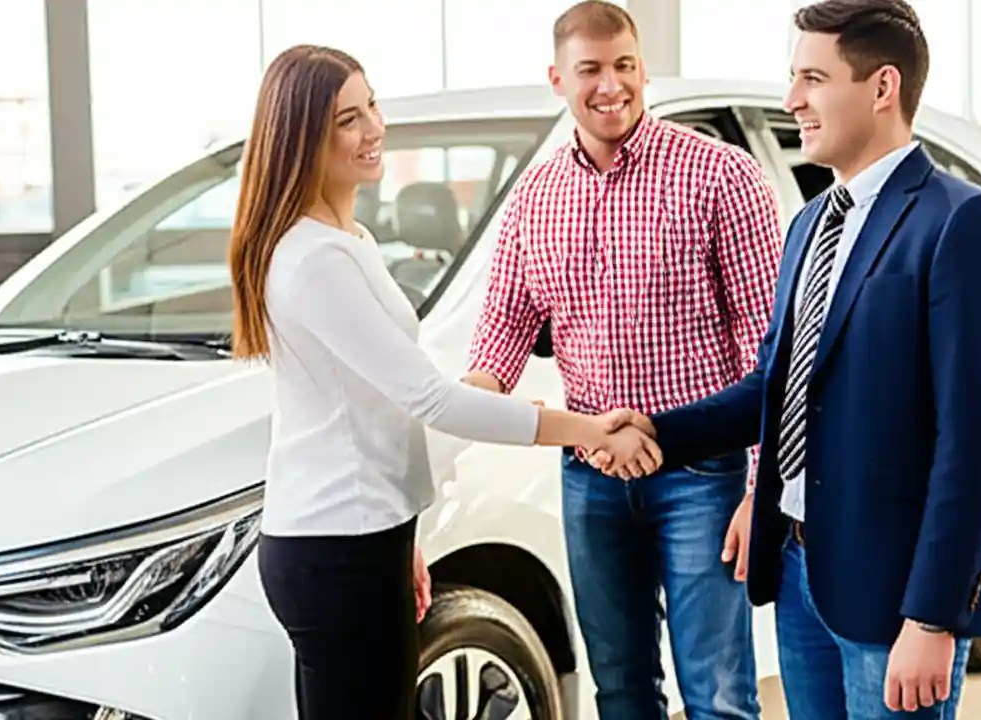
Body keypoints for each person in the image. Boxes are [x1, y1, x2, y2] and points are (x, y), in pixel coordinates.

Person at [597, 1, 981, 717]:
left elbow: (978, 445)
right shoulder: (809, 224)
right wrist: (655, 430)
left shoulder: (962, 223)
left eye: (813, 78)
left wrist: (933, 618)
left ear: (882, 88)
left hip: (896, 597)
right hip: (802, 572)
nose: (793, 99)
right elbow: (777, 383)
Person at [227, 45, 661, 720]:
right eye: (347, 118)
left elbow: (372, 420)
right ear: (303, 137)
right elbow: (428, 398)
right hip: (333, 552)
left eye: (371, 105)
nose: (373, 128)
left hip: (362, 537)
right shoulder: (313, 260)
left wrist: (405, 535)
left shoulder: (349, 241)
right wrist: (584, 428)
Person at [462, 2, 784, 717]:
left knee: (720, 697)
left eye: (625, 65)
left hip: (703, 478)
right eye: (591, 70)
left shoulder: (718, 176)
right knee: (621, 691)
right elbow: (498, 342)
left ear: (643, 68)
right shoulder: (534, 200)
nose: (612, 85)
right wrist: (446, 410)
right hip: (592, 481)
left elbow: (771, 349)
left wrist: (760, 488)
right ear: (557, 79)